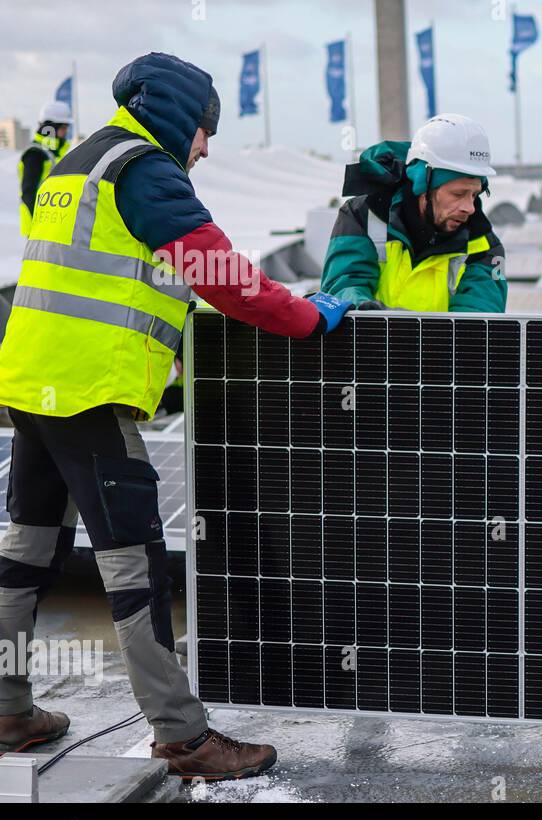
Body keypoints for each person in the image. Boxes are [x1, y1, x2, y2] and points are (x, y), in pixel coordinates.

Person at [0, 53, 350, 779]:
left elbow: (116, 271)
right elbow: (224, 277)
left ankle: (6, 709)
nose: (205, 148)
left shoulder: (76, 163)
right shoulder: (146, 169)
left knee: (24, 560)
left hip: (30, 387)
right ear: (176, 116)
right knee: (136, 572)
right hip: (90, 396)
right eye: (203, 130)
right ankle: (185, 737)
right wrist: (308, 318)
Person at [320, 113, 507, 312]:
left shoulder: (485, 247)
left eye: (474, 194)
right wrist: (370, 315)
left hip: (438, 345)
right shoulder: (362, 217)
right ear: (422, 185)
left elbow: (478, 321)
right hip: (371, 344)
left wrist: (400, 328)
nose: (469, 207)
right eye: (458, 193)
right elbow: (342, 289)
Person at [17, 100, 74, 238]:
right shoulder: (35, 154)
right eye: (63, 127)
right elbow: (28, 192)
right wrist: (40, 223)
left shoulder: (52, 154)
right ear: (51, 127)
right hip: (39, 227)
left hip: (51, 226)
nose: (65, 132)